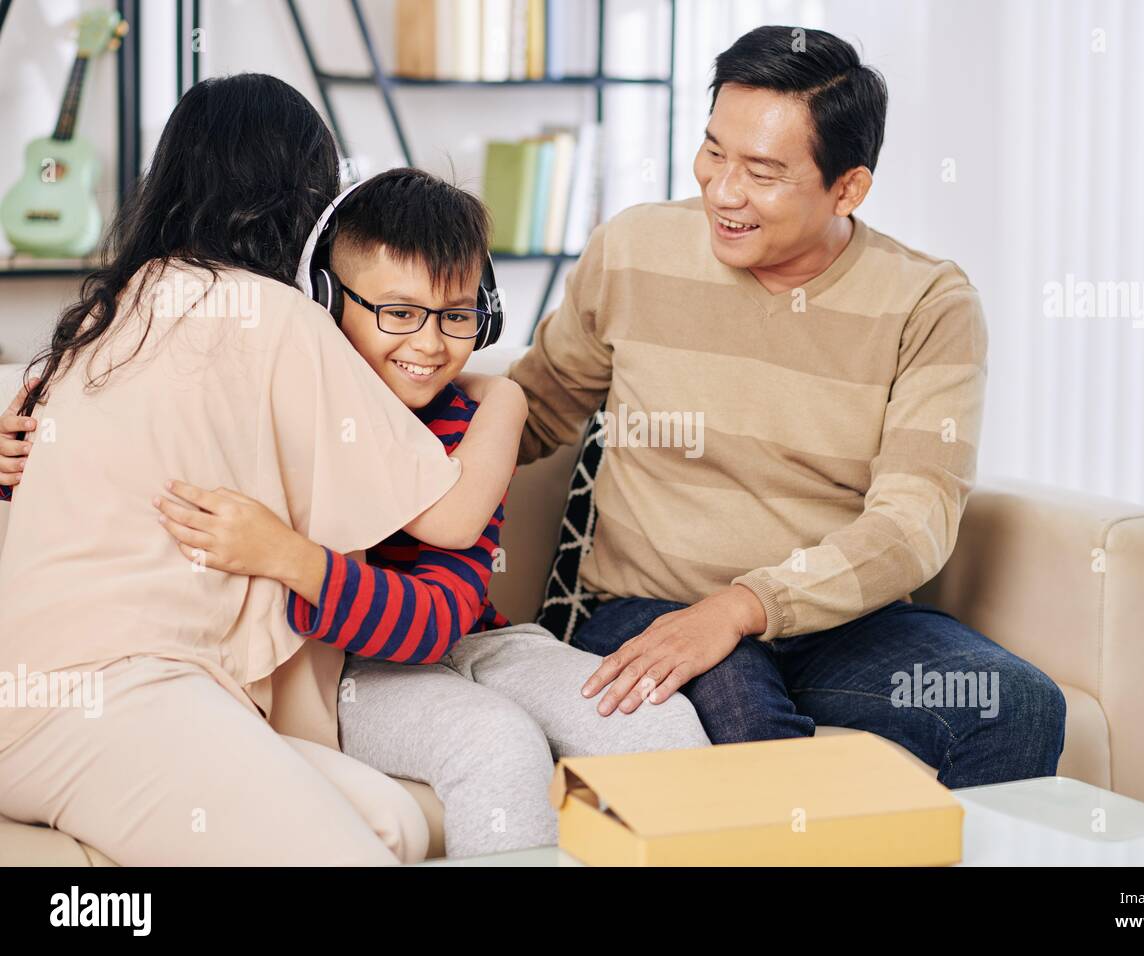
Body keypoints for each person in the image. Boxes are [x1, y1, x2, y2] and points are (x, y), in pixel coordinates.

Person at [507, 26, 1067, 787]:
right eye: (714, 151)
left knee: (1016, 705)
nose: (723, 191)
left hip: (842, 625)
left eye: (763, 172)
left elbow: (915, 521)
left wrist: (748, 604)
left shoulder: (929, 303)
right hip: (650, 605)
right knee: (745, 718)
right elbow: (536, 409)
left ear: (848, 188)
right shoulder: (634, 250)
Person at [0, 75, 516, 865]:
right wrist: (508, 397)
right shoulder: (280, 319)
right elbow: (451, 519)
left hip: (87, 694)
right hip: (112, 693)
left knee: (397, 824)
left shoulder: (112, 310)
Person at [150, 168, 708, 857]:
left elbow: (438, 619)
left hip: (468, 638)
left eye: (456, 316)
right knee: (494, 742)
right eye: (399, 312)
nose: (429, 344)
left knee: (660, 722)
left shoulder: (472, 423)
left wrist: (293, 558)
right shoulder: (279, 411)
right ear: (325, 301)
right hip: (347, 672)